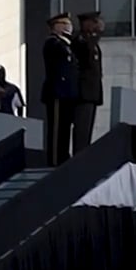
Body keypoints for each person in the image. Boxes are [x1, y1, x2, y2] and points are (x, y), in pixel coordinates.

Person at [41, 13, 79, 166]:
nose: (68, 26)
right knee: (57, 128)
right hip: (57, 91)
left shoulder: (66, 45)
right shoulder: (53, 43)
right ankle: (55, 159)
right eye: (64, 23)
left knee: (65, 128)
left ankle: (63, 156)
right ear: (56, 26)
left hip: (68, 93)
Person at [72, 12, 106, 155]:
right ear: (86, 23)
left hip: (91, 92)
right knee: (82, 129)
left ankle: (84, 154)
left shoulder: (92, 42)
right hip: (83, 92)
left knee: (88, 129)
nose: (97, 25)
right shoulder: (81, 41)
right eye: (94, 22)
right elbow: (85, 56)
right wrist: (95, 35)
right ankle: (79, 155)